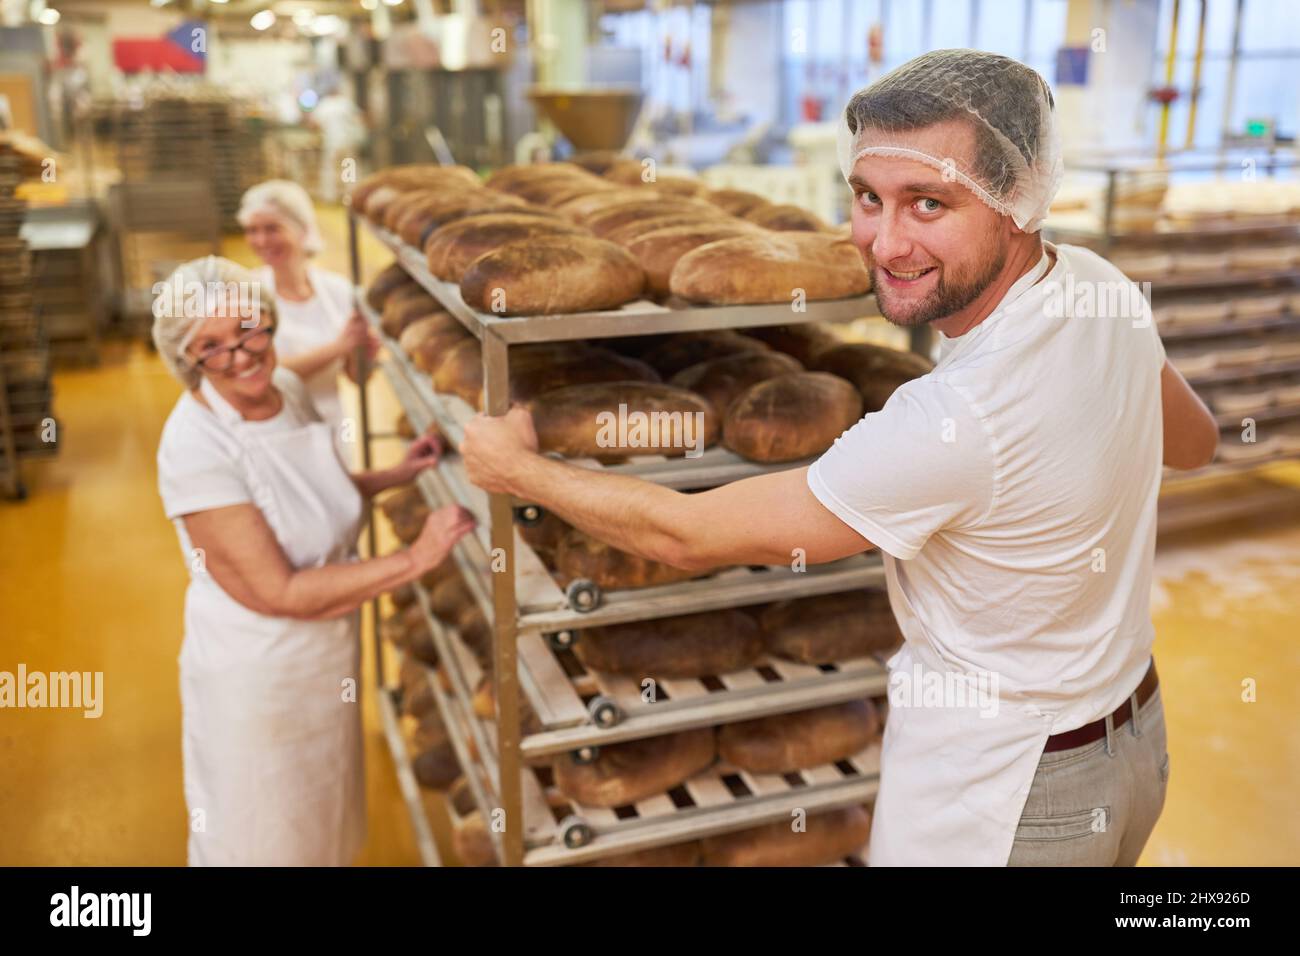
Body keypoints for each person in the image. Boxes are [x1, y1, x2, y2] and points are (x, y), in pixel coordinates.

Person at [459, 50, 1221, 866]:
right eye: (868, 198)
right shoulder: (1098, 286)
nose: (884, 243)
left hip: (1009, 798)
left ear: (1017, 203)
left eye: (929, 204)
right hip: (1132, 741)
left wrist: (517, 470)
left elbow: (683, 537)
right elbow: (1195, 441)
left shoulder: (947, 421)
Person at [153, 256, 474, 866]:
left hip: (326, 658)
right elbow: (282, 591)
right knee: (265, 837)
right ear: (187, 360)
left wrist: (395, 473)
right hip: (260, 675)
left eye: (249, 328)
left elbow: (311, 496)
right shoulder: (195, 447)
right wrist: (418, 556)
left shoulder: (289, 391)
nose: (241, 354)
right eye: (212, 346)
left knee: (322, 818)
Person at [238, 179, 376, 461]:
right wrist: (339, 347)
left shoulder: (337, 291)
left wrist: (366, 354)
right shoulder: (247, 295)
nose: (261, 241)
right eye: (252, 231)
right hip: (275, 437)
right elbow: (266, 375)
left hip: (331, 430)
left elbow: (356, 378)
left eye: (272, 229)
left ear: (301, 231)